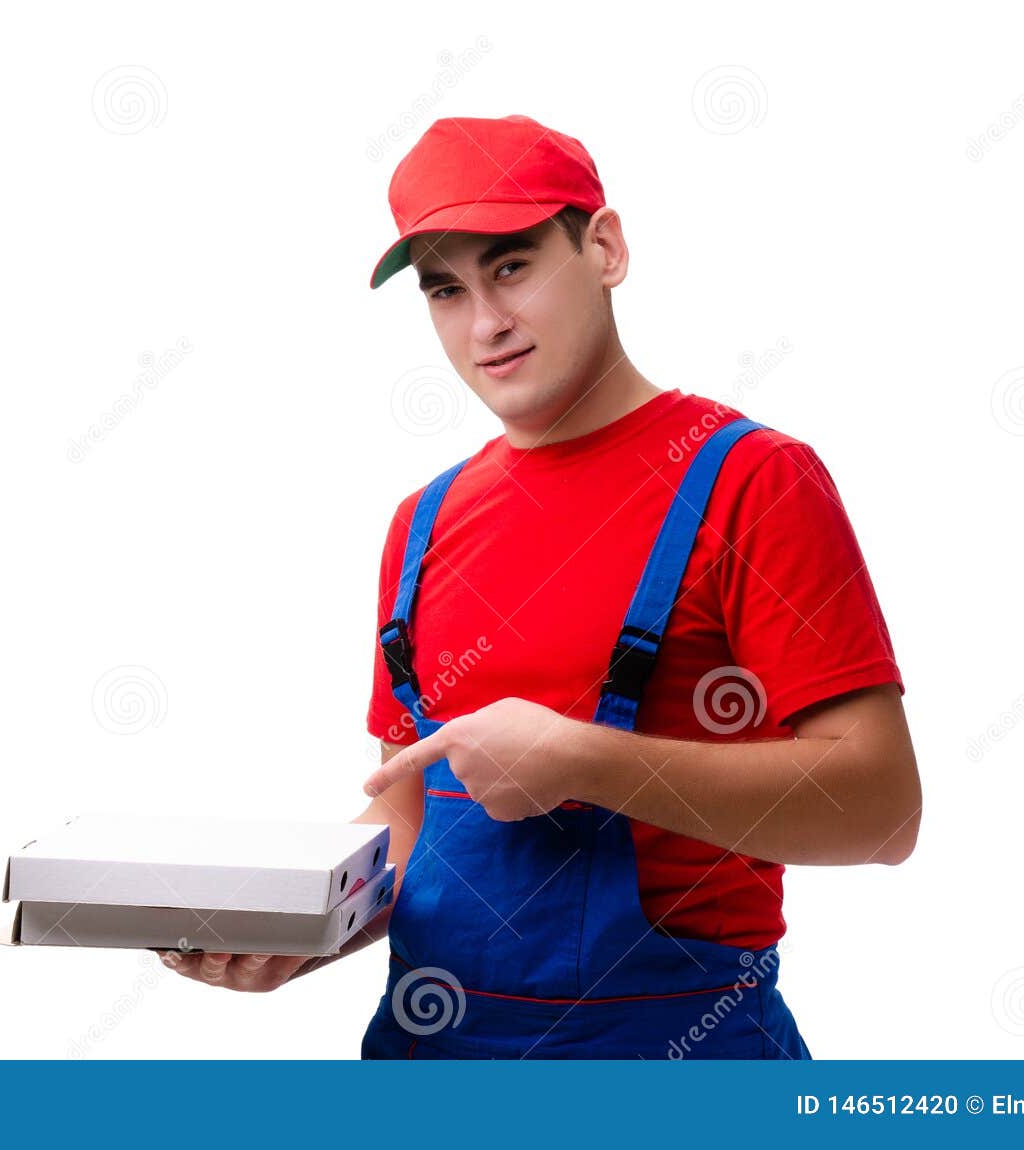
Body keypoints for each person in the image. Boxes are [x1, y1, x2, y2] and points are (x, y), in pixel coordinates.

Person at [155, 114, 920, 1060]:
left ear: (603, 247)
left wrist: (585, 762)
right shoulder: (422, 524)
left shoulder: (751, 482)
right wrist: (301, 932)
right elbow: (410, 810)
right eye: (446, 289)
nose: (485, 323)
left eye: (512, 266)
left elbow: (884, 811)